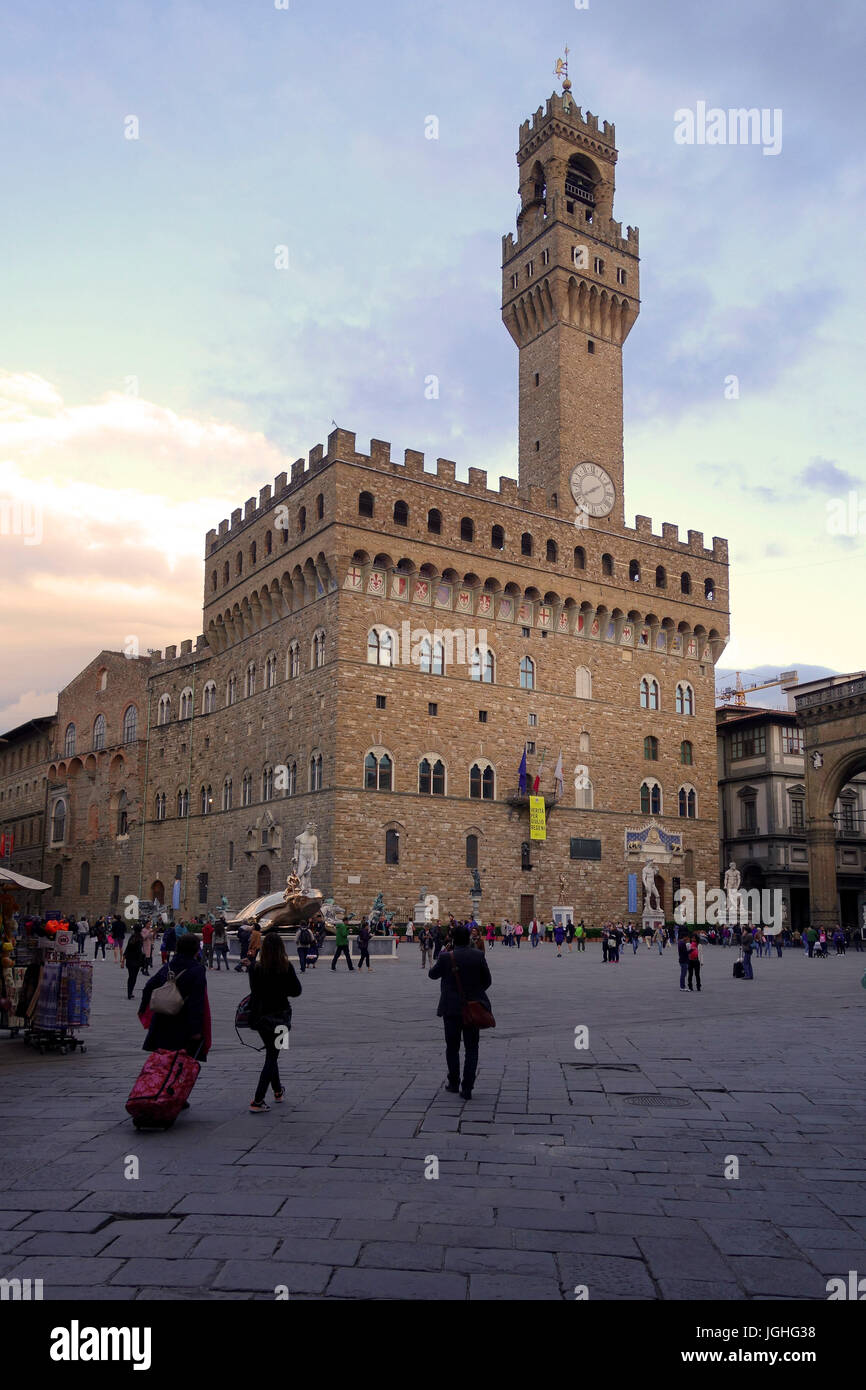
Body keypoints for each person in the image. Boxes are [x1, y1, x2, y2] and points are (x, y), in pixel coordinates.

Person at [428, 924, 493, 1101]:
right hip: (472, 1007)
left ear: (453, 939)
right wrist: (475, 993)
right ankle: (468, 1087)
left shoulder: (446, 957)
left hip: (451, 1009)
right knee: (472, 1048)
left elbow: (432, 975)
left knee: (452, 1047)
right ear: (469, 938)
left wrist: (444, 952)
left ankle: (454, 1082)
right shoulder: (478, 955)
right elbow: (487, 981)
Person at [138, 934, 211, 1072]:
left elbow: (149, 987)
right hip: (182, 1025)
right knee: (178, 1068)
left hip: (161, 1022)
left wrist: (144, 1009)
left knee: (162, 1066)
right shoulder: (197, 970)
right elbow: (197, 1002)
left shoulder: (169, 966)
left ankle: (156, 1089)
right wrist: (196, 1030)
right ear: (196, 950)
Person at [248, 930, 302, 1113]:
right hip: (281, 1018)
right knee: (273, 1056)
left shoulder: (257, 968)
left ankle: (278, 1091)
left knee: (272, 1055)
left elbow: (254, 991)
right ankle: (258, 1100)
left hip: (262, 1019)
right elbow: (296, 991)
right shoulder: (286, 967)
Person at [122, 926, 146, 1000]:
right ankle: (130, 992)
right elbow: (140, 951)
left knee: (130, 976)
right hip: (137, 960)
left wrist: (123, 960)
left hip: (129, 959)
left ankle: (129, 992)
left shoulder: (131, 938)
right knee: (134, 977)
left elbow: (127, 949)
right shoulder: (140, 938)